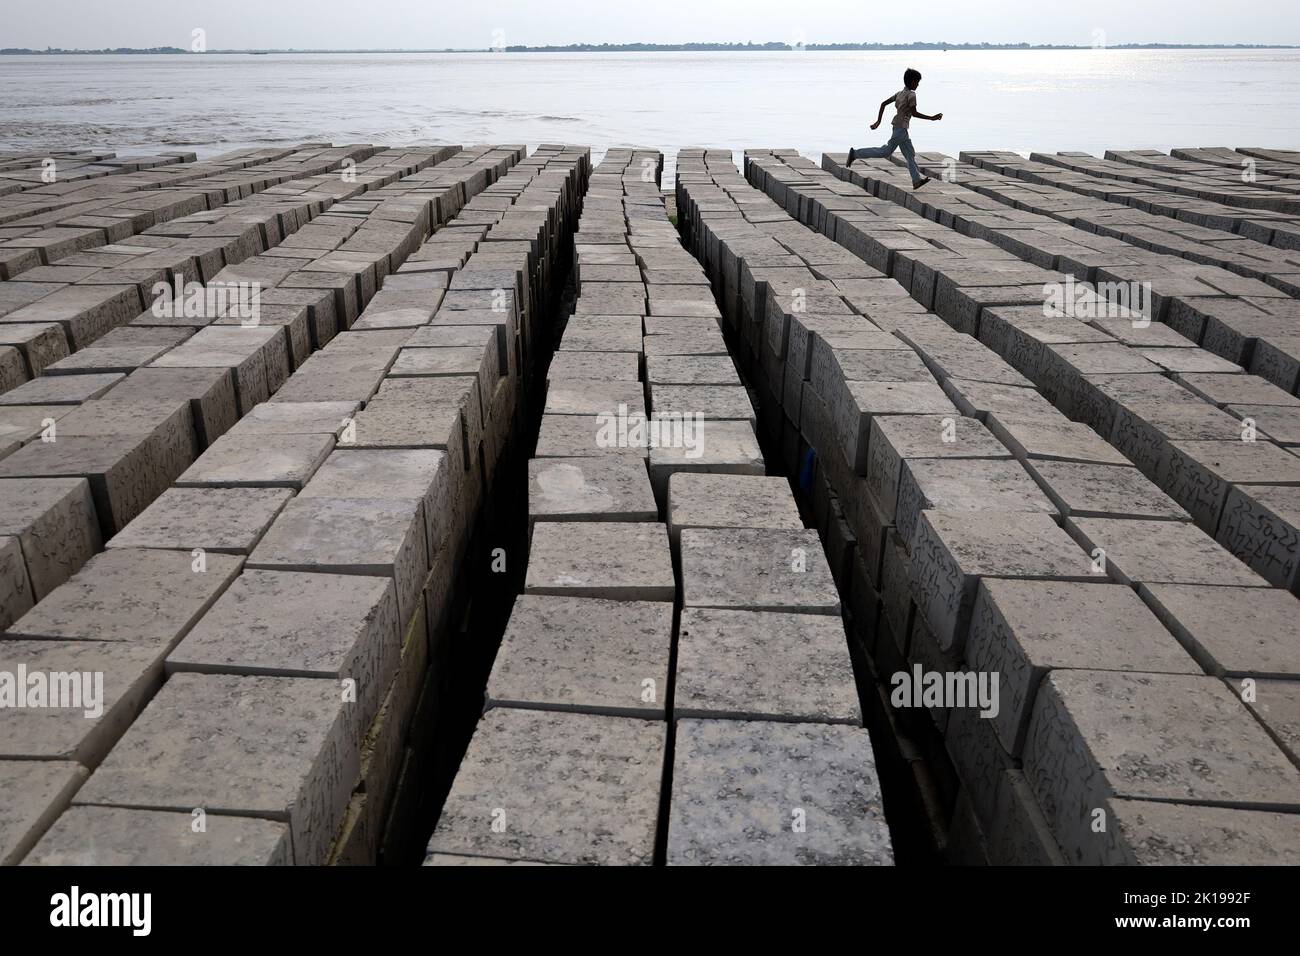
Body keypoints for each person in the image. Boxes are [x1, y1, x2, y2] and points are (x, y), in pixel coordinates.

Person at [847, 68, 943, 189]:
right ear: (912, 81)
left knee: (909, 154)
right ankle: (855, 153)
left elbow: (883, 103)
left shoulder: (900, 93)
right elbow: (914, 113)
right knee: (886, 151)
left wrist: (878, 121)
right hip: (901, 129)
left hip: (899, 127)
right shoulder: (912, 95)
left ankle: (916, 181)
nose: (918, 84)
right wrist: (931, 118)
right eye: (917, 82)